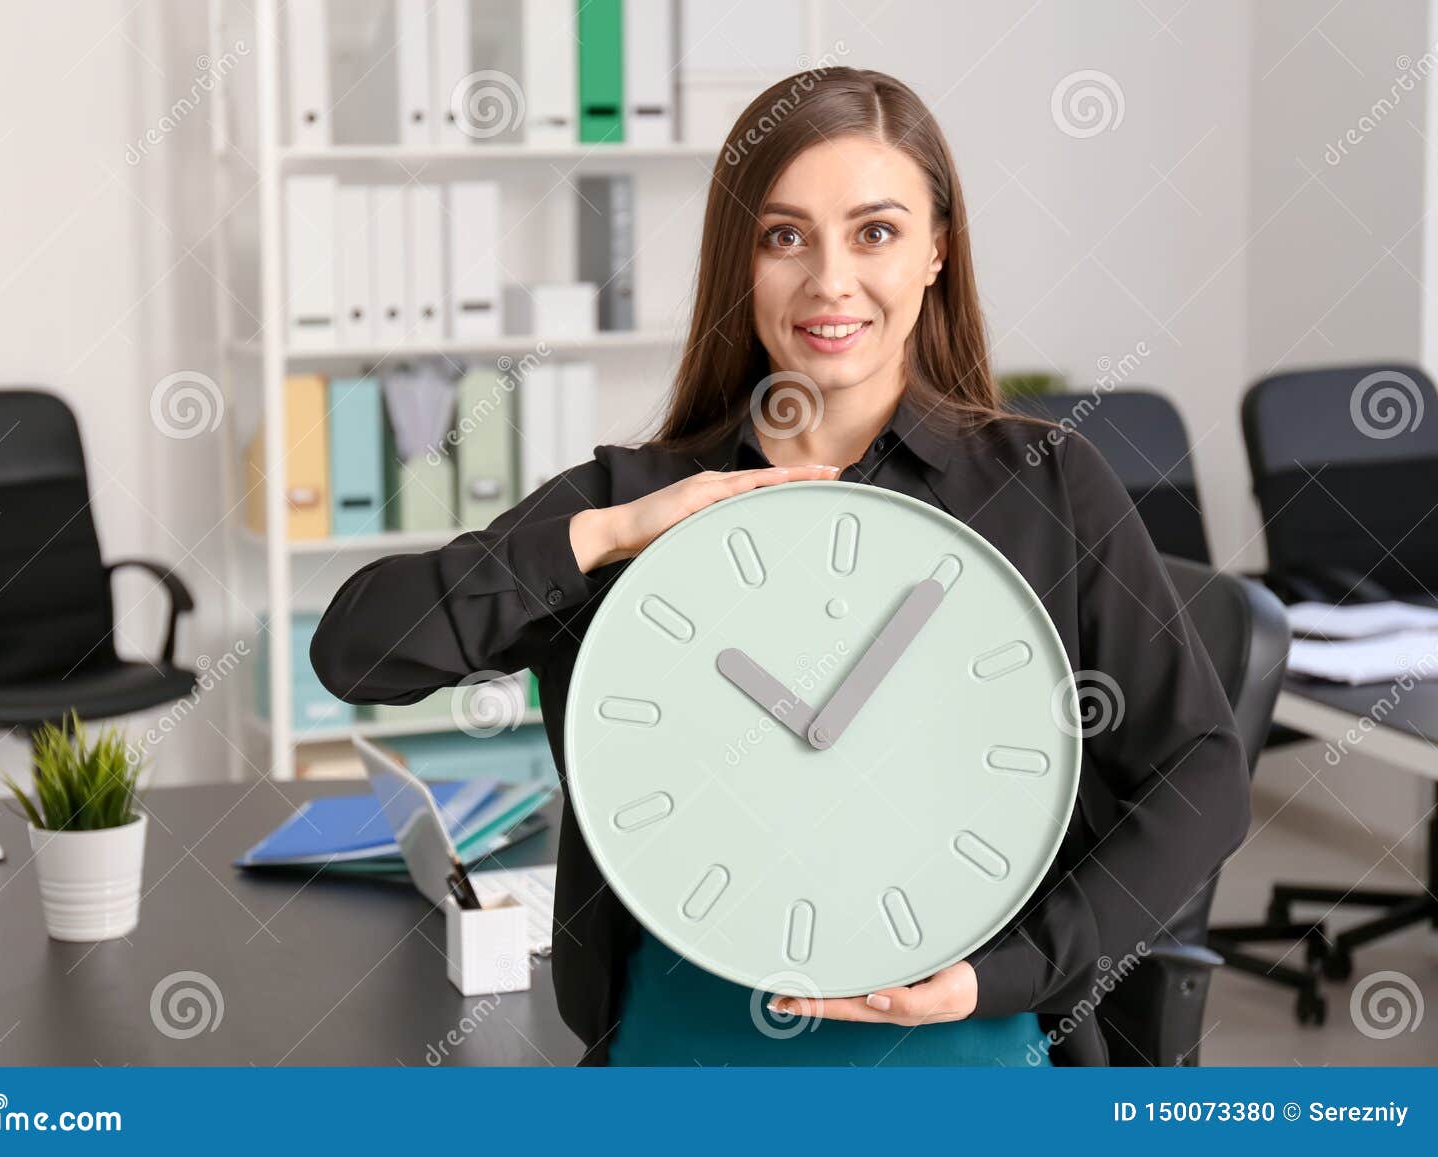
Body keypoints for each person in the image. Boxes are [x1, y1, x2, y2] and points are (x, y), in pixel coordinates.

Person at [311, 67, 1249, 1066]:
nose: (829, 280)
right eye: (783, 235)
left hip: (963, 1030)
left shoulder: (1044, 484)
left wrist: (1010, 970)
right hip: (686, 1038)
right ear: (740, 263)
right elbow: (358, 651)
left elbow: (1202, 774)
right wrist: (606, 536)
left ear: (936, 250)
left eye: (875, 232)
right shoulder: (636, 495)